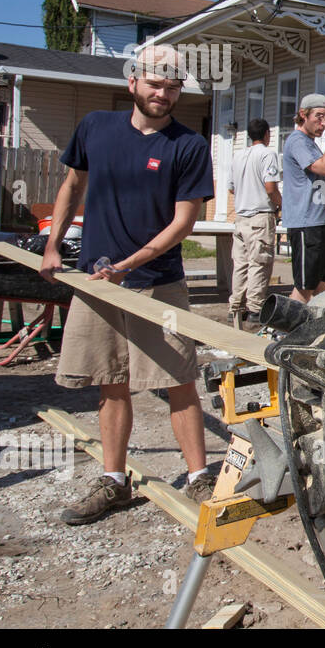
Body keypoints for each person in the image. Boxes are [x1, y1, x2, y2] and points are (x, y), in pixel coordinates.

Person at [40, 44, 217, 522]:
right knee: (111, 382)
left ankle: (200, 478)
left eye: (172, 86)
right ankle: (114, 481)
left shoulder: (188, 145)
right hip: (98, 283)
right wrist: (53, 246)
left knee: (179, 381)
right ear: (133, 82)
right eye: (155, 83)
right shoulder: (96, 127)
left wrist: (130, 263)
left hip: (159, 282)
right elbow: (72, 186)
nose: (163, 93)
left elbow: (184, 223)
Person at [282, 93, 325, 303]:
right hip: (308, 223)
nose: (324, 123)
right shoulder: (298, 141)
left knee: (322, 284)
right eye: (319, 116)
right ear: (303, 114)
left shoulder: (311, 143)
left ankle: (313, 329)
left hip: (322, 221)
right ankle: (283, 331)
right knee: (305, 287)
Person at [227, 117, 281, 330]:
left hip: (241, 217)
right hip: (260, 215)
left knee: (240, 265)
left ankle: (236, 308)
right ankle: (255, 309)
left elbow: (231, 187)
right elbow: (270, 187)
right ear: (267, 134)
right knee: (259, 263)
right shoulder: (267, 154)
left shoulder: (238, 155)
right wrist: (281, 204)